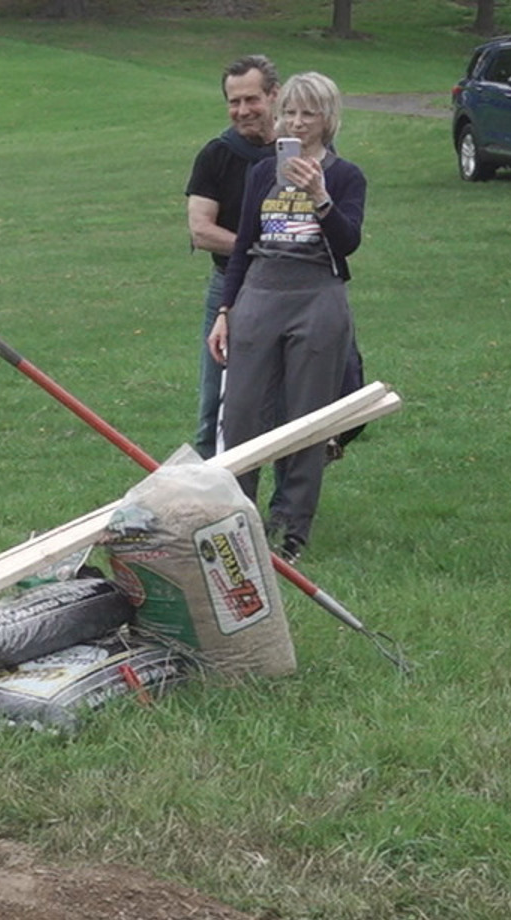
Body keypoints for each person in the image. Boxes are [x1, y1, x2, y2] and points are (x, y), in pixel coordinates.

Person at [206, 72, 366, 563]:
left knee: (307, 416)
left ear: (327, 119)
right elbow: (241, 251)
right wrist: (225, 310)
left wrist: (320, 196)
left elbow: (347, 243)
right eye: (290, 113)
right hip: (259, 293)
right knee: (243, 413)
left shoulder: (345, 175)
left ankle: (291, 529)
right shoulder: (261, 174)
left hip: (317, 297)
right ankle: (236, 519)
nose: (297, 122)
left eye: (308, 114)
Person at [186, 56, 280, 460]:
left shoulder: (301, 151)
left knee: (286, 403)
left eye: (252, 100)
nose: (242, 111)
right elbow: (201, 230)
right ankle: (207, 502)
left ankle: (284, 508)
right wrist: (263, 246)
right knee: (214, 405)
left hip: (292, 291)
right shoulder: (217, 154)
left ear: (274, 95)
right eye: (233, 101)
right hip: (231, 289)